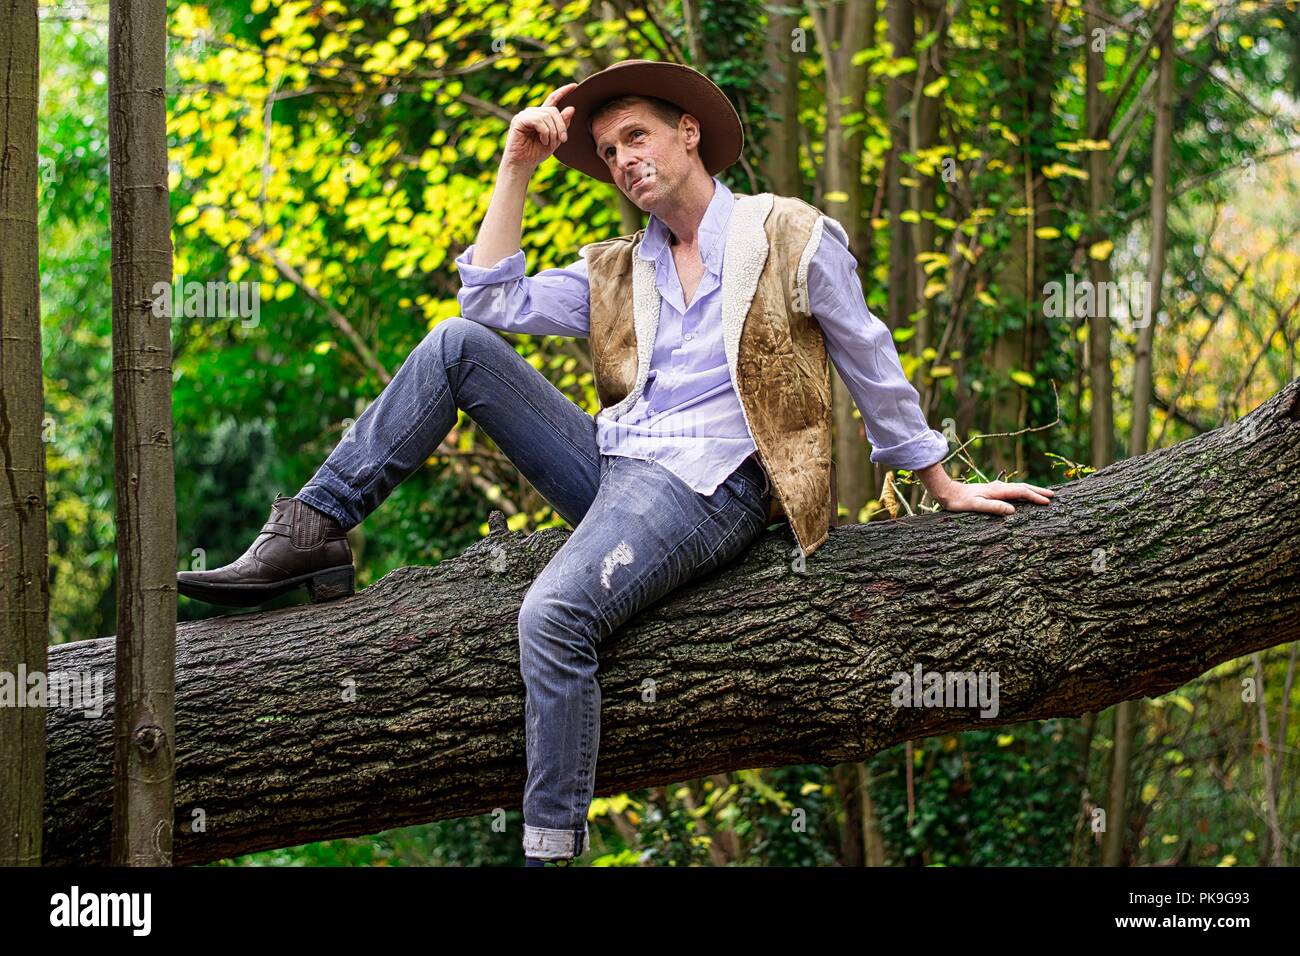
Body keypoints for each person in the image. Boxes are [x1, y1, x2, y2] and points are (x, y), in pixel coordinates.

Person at [176, 59, 1056, 866]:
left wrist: (937, 477)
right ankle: (313, 528)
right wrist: (518, 163)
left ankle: (550, 851)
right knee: (455, 345)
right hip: (615, 469)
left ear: (688, 132)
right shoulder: (617, 269)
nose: (623, 158)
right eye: (605, 150)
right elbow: (488, 299)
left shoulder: (787, 233)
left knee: (551, 617)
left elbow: (868, 351)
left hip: (715, 489)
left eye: (636, 135)